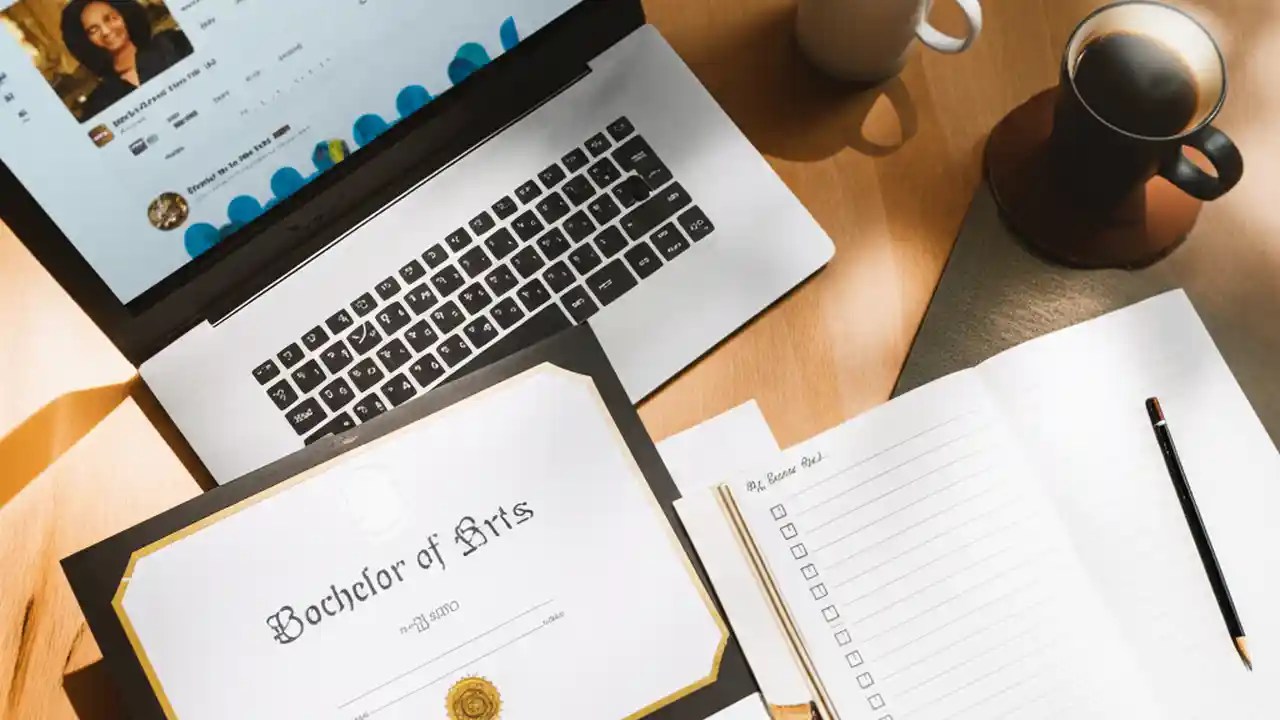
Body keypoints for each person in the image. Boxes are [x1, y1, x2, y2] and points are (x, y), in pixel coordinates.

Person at [60, 0, 192, 120]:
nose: (105, 31)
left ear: (125, 15)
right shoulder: (100, 101)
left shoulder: (173, 43)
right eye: (93, 30)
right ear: (85, 40)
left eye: (111, 18)